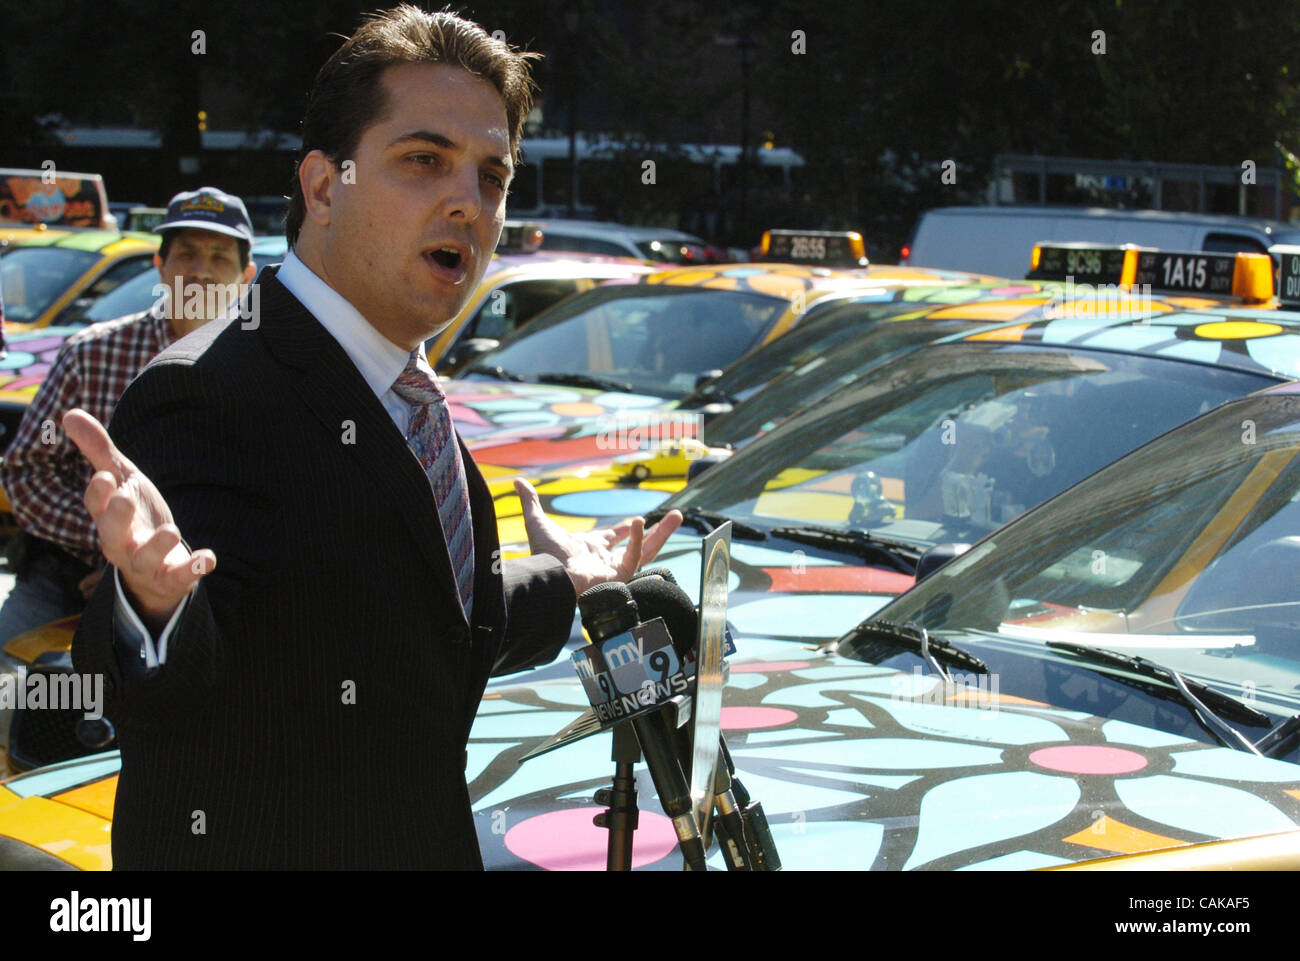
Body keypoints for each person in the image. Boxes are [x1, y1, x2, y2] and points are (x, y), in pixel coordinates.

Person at [67, 6, 681, 869]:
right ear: (324, 186)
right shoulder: (205, 392)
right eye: (423, 161)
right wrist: (155, 608)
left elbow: (401, 628)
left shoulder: (406, 391)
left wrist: (571, 581)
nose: (467, 203)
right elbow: (156, 690)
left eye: (492, 177)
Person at [0, 187, 257, 643]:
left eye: (219, 257)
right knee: (12, 684)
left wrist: (153, 566)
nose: (200, 271)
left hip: (212, 584)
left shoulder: (264, 371)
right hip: (67, 578)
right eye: (187, 253)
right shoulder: (91, 353)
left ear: (246, 276)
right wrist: (114, 546)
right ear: (160, 267)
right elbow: (26, 471)